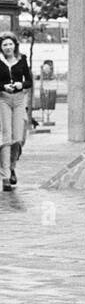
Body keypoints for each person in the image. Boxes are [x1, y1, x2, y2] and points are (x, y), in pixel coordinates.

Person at [0, 32, 32, 191]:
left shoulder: (22, 59)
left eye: (10, 44)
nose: (7, 47)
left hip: (19, 100)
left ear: (15, 45)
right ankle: (5, 176)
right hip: (3, 99)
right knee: (6, 138)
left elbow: (30, 81)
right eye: (4, 45)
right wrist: (3, 87)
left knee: (18, 138)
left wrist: (21, 85)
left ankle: (12, 166)